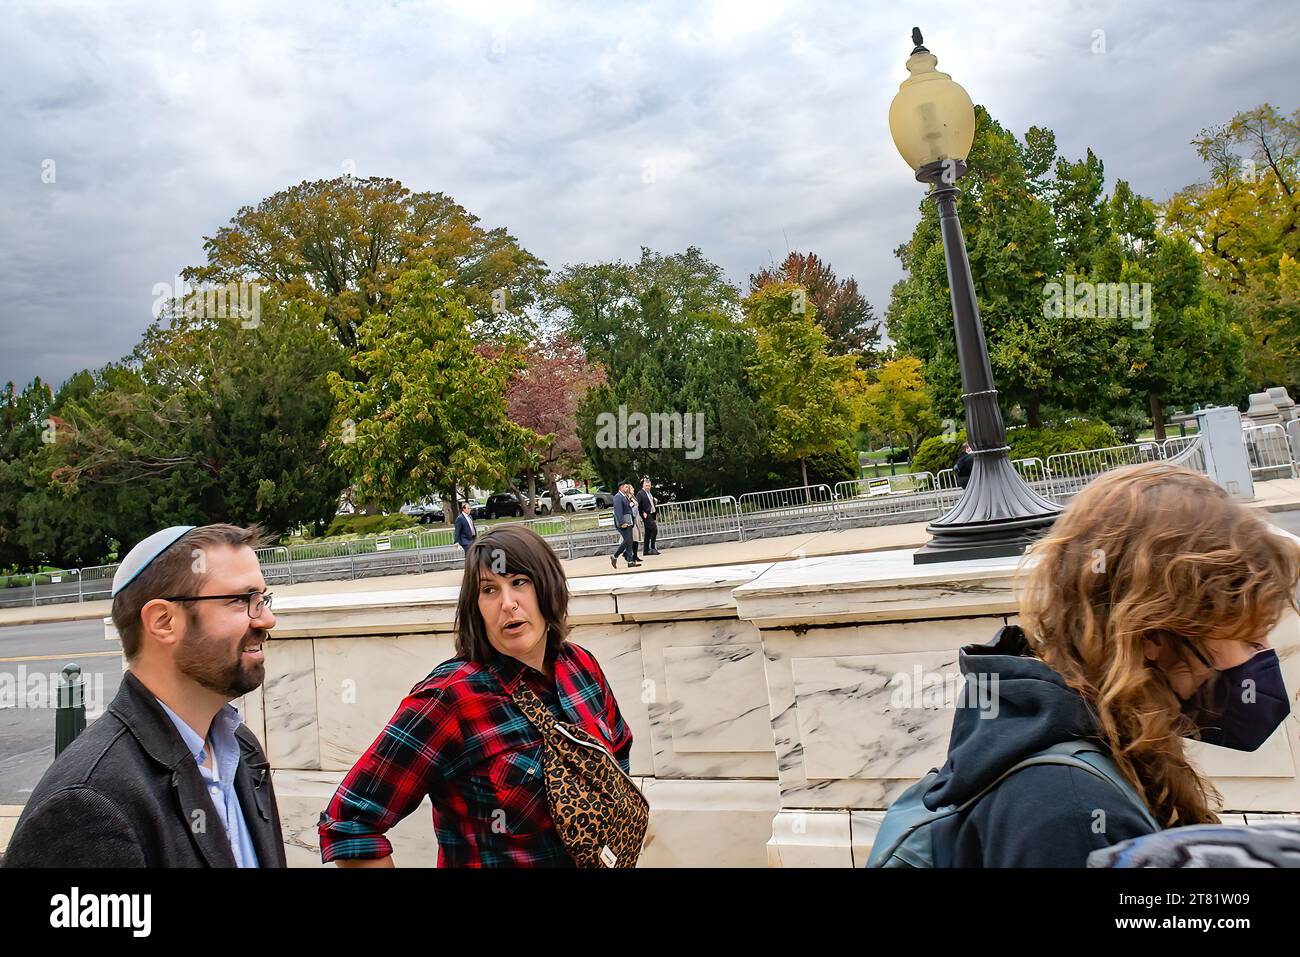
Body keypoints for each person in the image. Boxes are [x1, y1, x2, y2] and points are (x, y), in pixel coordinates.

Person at [892, 462, 1298, 867]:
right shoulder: (1071, 809)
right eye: (1249, 638)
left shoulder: (1072, 731)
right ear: (1153, 634)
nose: (1264, 655)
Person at [318, 524, 634, 867]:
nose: (508, 604)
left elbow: (619, 760)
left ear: (548, 587)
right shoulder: (451, 697)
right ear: (475, 607)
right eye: (489, 590)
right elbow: (349, 824)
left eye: (519, 582)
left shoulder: (580, 666)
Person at [3, 524, 286, 868]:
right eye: (241, 601)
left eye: (263, 599)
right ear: (164, 621)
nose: (267, 619)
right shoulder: (89, 803)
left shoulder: (240, 747)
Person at [611, 481, 641, 568]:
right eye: (626, 487)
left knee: (629, 541)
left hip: (629, 522)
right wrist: (621, 523)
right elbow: (618, 511)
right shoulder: (618, 497)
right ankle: (615, 556)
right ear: (621, 487)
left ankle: (631, 561)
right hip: (623, 523)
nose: (627, 488)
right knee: (627, 540)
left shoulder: (624, 497)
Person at [637, 477, 660, 555]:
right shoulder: (640, 493)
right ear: (643, 486)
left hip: (651, 514)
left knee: (648, 532)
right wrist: (642, 512)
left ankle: (646, 550)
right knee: (654, 529)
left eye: (649, 486)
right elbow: (638, 504)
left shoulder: (649, 493)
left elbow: (649, 503)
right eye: (646, 485)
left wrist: (654, 501)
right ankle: (652, 548)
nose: (648, 487)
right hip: (646, 515)